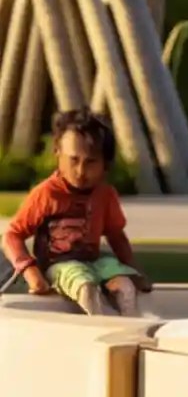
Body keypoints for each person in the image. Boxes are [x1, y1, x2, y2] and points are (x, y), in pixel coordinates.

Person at [2, 109, 148, 315]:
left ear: (105, 164)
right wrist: (30, 270)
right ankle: (100, 332)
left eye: (90, 162)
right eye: (73, 160)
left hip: (94, 261)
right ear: (57, 153)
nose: (80, 171)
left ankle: (134, 331)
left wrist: (135, 270)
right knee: (86, 286)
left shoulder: (105, 194)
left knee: (125, 287)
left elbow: (116, 235)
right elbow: (12, 235)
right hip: (59, 265)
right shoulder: (46, 194)